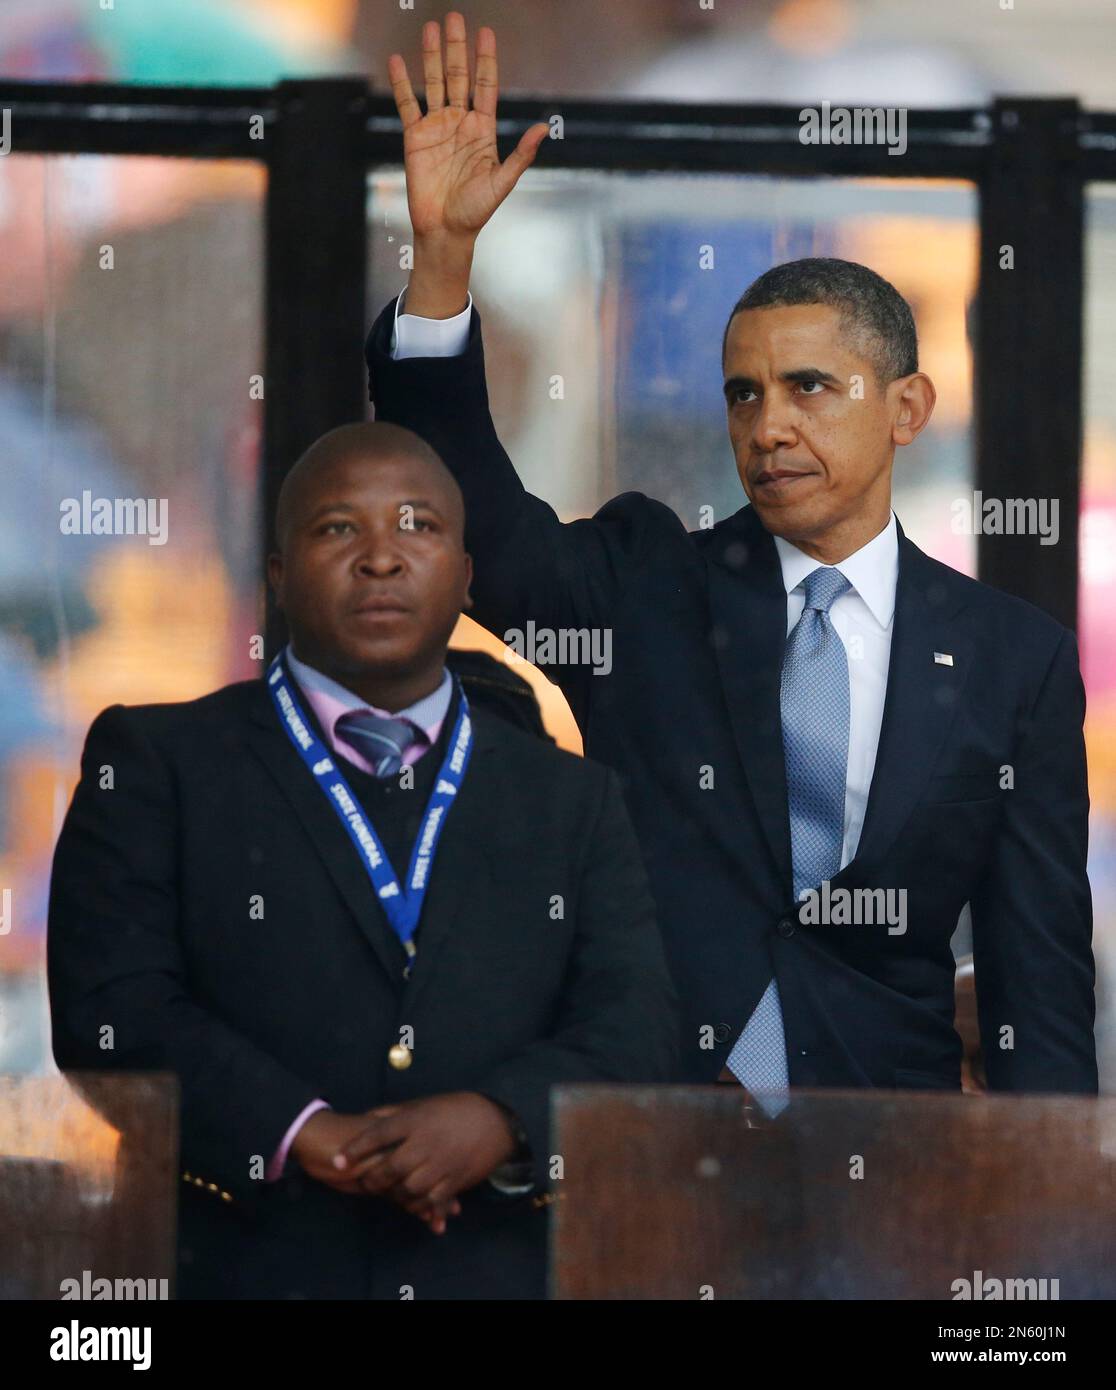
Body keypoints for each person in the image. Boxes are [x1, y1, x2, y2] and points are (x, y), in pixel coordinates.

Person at [366, 14, 1097, 1101]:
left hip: (884, 1174)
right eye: (744, 394)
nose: (769, 425)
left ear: (908, 408)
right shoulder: (647, 585)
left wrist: (1034, 1215)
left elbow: (1039, 980)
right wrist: (443, 265)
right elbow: (471, 516)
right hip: (645, 1149)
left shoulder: (1009, 659)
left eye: (810, 387)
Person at [47, 420, 678, 1300]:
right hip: (241, 1265)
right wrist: (301, 1130)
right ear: (277, 576)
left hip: (495, 1273)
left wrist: (500, 1119)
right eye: (338, 527)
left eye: (417, 524)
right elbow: (110, 1009)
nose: (381, 557)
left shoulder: (572, 800)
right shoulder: (158, 762)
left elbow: (637, 1026)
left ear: (464, 577)